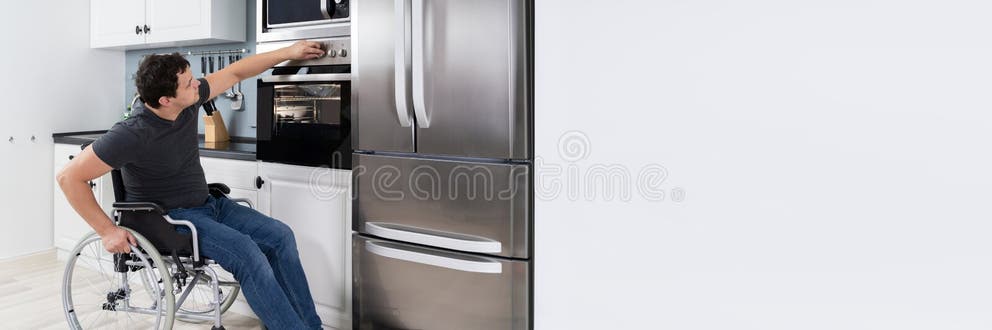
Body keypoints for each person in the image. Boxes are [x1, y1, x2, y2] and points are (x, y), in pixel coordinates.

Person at [56, 41, 327, 329]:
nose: (197, 84)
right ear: (165, 100)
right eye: (188, 83)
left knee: (280, 236)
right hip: (170, 220)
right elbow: (68, 178)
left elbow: (236, 73)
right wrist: (107, 231)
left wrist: (289, 53)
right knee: (248, 254)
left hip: (208, 205)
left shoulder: (188, 101)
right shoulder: (132, 133)